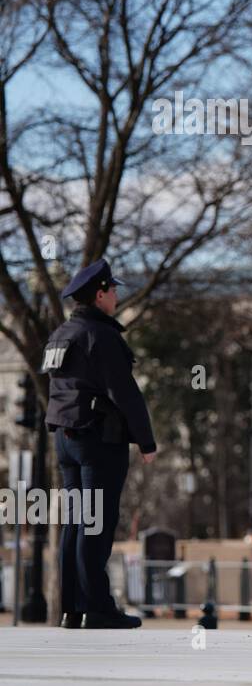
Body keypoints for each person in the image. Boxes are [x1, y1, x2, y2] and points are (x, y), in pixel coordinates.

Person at [43, 259, 156, 629]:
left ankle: (72, 609)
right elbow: (124, 392)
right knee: (96, 524)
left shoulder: (61, 334)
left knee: (76, 523)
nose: (118, 296)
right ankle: (98, 609)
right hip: (97, 439)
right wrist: (146, 440)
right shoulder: (101, 335)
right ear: (100, 294)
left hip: (65, 439)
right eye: (114, 291)